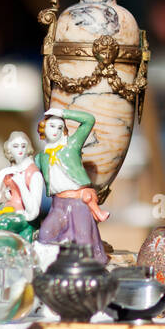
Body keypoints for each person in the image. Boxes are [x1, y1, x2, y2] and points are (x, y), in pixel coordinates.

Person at [35, 106, 109, 261]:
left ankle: (89, 272)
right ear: (43, 128)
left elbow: (89, 120)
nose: (55, 130)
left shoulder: (71, 147)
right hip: (57, 204)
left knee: (83, 240)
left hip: (77, 203)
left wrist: (64, 113)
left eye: (60, 127)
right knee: (46, 234)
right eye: (52, 126)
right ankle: (50, 267)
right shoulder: (41, 157)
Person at [0, 131, 44, 241]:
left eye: (23, 146)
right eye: (15, 146)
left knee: (2, 226)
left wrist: (21, 184)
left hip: (22, 214)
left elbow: (33, 209)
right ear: (9, 149)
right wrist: (1, 174)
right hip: (6, 209)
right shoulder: (9, 170)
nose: (20, 150)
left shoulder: (33, 173)